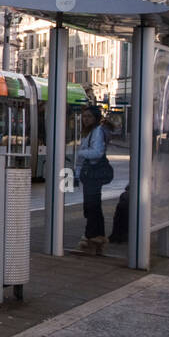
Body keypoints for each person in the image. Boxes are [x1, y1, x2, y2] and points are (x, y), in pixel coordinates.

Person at [74, 105, 110, 252]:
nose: (85, 119)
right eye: (84, 116)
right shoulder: (90, 132)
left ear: (95, 118)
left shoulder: (96, 132)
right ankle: (97, 236)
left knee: (91, 206)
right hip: (90, 175)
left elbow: (97, 153)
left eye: (89, 116)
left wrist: (82, 153)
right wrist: (77, 174)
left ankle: (90, 237)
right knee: (93, 206)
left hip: (94, 175)